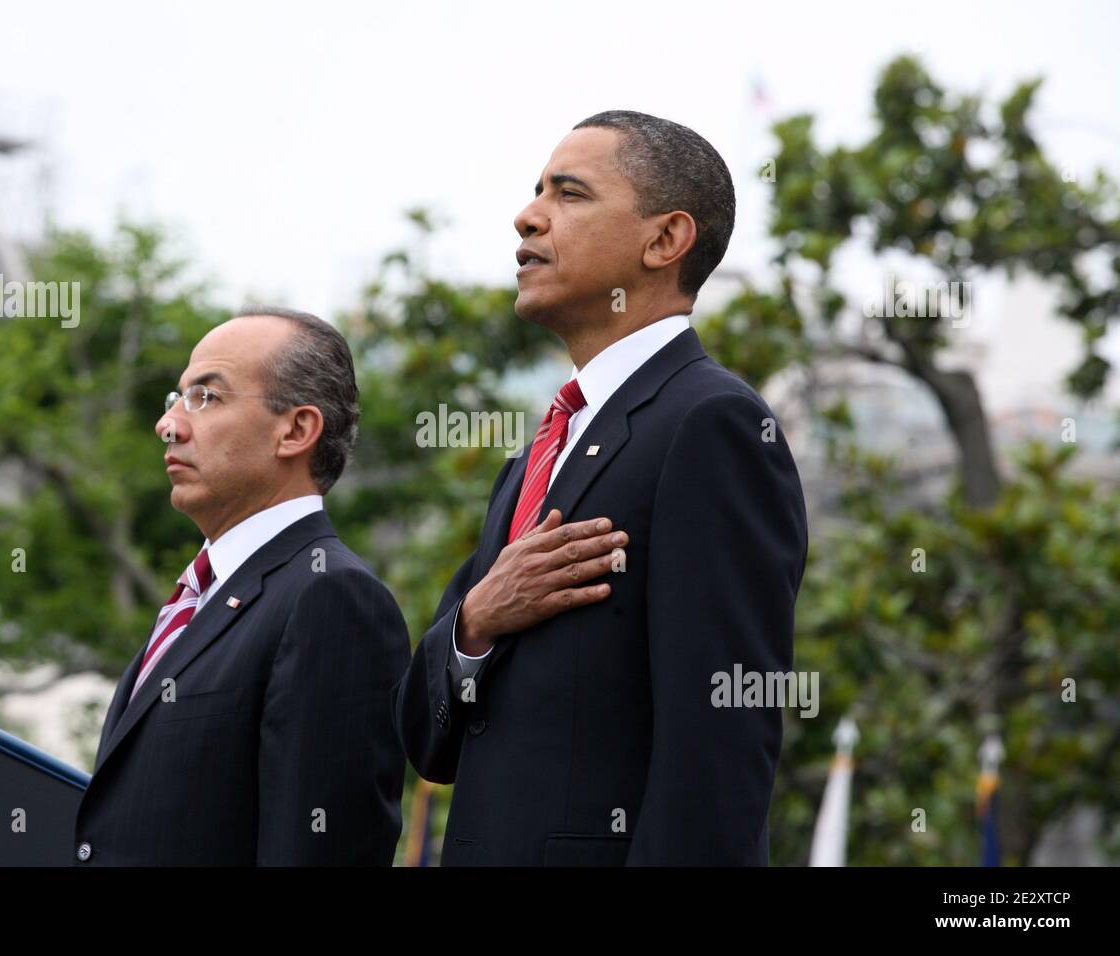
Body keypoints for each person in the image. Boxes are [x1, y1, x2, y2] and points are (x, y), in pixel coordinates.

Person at [394, 110, 808, 865]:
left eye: (570, 193)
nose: (528, 214)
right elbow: (429, 744)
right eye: (536, 191)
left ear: (665, 240)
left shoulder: (711, 425)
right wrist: (475, 624)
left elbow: (720, 751)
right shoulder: (538, 454)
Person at [76, 307, 409, 865]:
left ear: (296, 430)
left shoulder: (330, 597)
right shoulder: (198, 597)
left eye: (207, 398)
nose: (170, 424)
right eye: (175, 399)